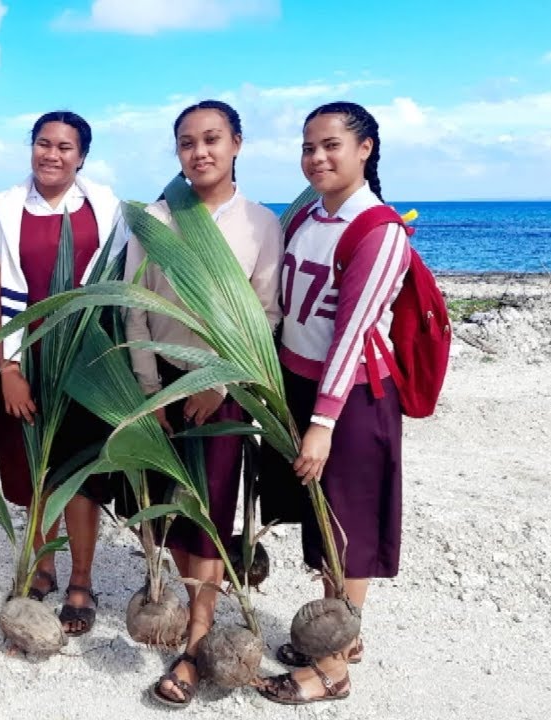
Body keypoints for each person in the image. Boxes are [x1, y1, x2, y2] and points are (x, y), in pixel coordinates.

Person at [123, 101, 282, 707]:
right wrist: (149, 392)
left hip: (225, 390)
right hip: (162, 384)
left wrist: (220, 385)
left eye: (212, 139)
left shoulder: (261, 224)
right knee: (173, 510)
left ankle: (196, 640)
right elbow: (134, 308)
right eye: (187, 142)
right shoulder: (155, 220)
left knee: (212, 513)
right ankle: (190, 612)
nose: (200, 152)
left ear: (237, 142)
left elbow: (265, 315)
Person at [257, 101, 409, 705]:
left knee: (348, 529)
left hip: (351, 400)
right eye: (308, 147)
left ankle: (331, 670)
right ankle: (343, 636)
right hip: (300, 386)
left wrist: (322, 423)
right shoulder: (307, 217)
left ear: (365, 149)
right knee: (323, 523)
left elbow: (351, 338)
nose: (316, 158)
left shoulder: (378, 231)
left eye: (331, 146)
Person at [0, 110, 127, 636]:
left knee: (80, 475)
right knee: (37, 470)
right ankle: (43, 568)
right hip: (26, 356)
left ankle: (81, 581)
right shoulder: (3, 208)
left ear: (81, 156)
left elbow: (121, 287)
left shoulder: (107, 208)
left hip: (87, 362)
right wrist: (7, 366)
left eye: (65, 147)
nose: (52, 154)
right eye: (43, 143)